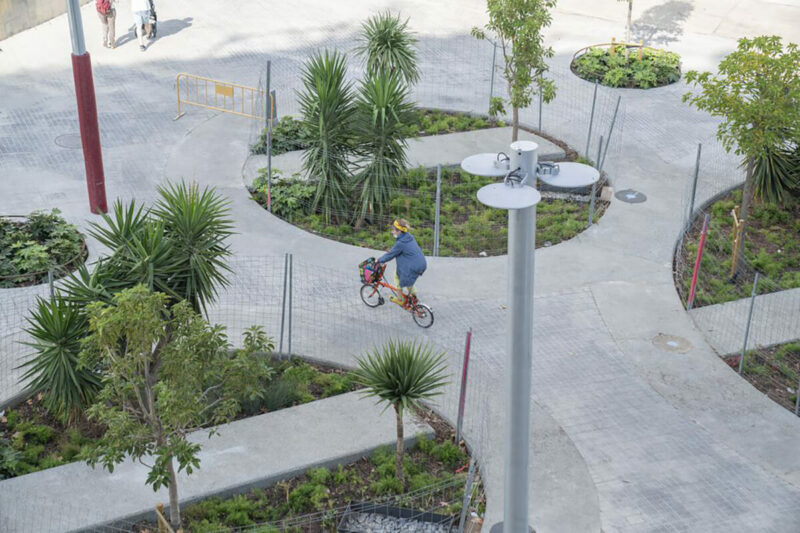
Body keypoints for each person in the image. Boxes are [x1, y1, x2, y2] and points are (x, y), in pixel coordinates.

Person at [377, 219, 427, 307]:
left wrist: (379, 260)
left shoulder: (400, 243)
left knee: (397, 275)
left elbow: (390, 254)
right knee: (408, 278)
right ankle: (414, 296)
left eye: (394, 230)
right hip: (421, 263)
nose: (392, 232)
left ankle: (400, 299)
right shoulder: (409, 237)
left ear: (399, 231)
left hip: (413, 266)